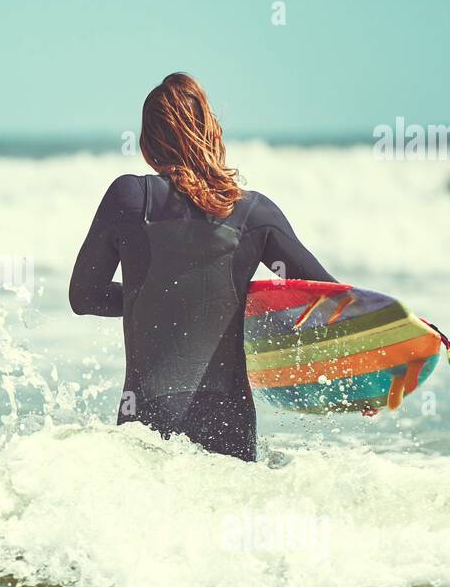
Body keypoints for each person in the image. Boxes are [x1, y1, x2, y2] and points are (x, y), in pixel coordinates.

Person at [69, 73, 333, 461]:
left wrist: (157, 296)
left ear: (147, 147)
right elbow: (327, 301)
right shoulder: (254, 213)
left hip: (146, 423)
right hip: (231, 427)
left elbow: (84, 296)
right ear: (213, 135)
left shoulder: (128, 198)